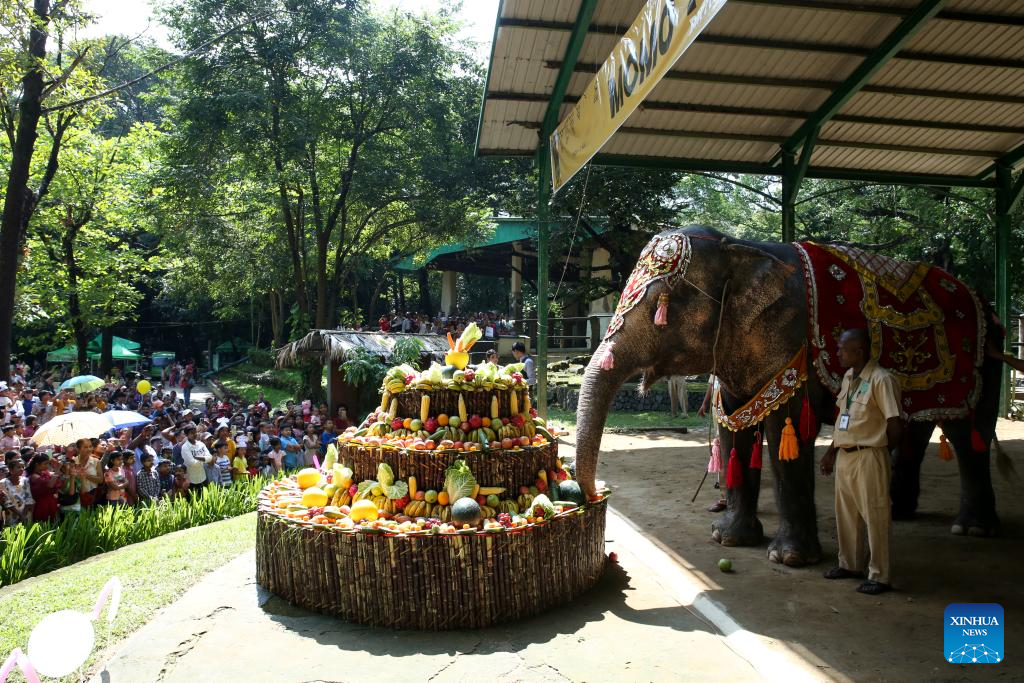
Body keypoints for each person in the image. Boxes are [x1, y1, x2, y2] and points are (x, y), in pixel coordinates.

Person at [820, 328, 903, 596]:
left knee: (875, 515)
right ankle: (850, 564)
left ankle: (880, 575)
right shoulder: (847, 377)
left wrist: (882, 452)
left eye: (843, 348)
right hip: (845, 455)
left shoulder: (882, 379)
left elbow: (894, 423)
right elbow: (844, 418)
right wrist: (831, 452)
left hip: (869, 455)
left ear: (860, 351)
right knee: (846, 515)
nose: (838, 353)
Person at [698, 375, 726, 513]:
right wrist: (704, 404)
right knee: (720, 453)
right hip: (717, 411)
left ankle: (729, 498)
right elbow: (711, 385)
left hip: (729, 412)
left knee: (726, 454)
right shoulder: (714, 369)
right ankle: (724, 497)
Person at [1, 453, 33, 525]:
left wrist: (23, 515)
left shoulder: (25, 480)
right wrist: (20, 515)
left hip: (25, 513)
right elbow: (6, 502)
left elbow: (29, 498)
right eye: (18, 467)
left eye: (23, 467)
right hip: (11, 514)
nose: (22, 469)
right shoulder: (3, 483)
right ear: (10, 469)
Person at [180, 426, 213, 491]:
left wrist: (197, 457)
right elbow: (192, 463)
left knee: (205, 498)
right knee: (193, 499)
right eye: (192, 433)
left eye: (195, 432)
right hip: (192, 479)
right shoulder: (185, 447)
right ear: (186, 435)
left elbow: (210, 458)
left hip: (203, 477)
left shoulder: (201, 444)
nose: (195, 434)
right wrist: (205, 459)